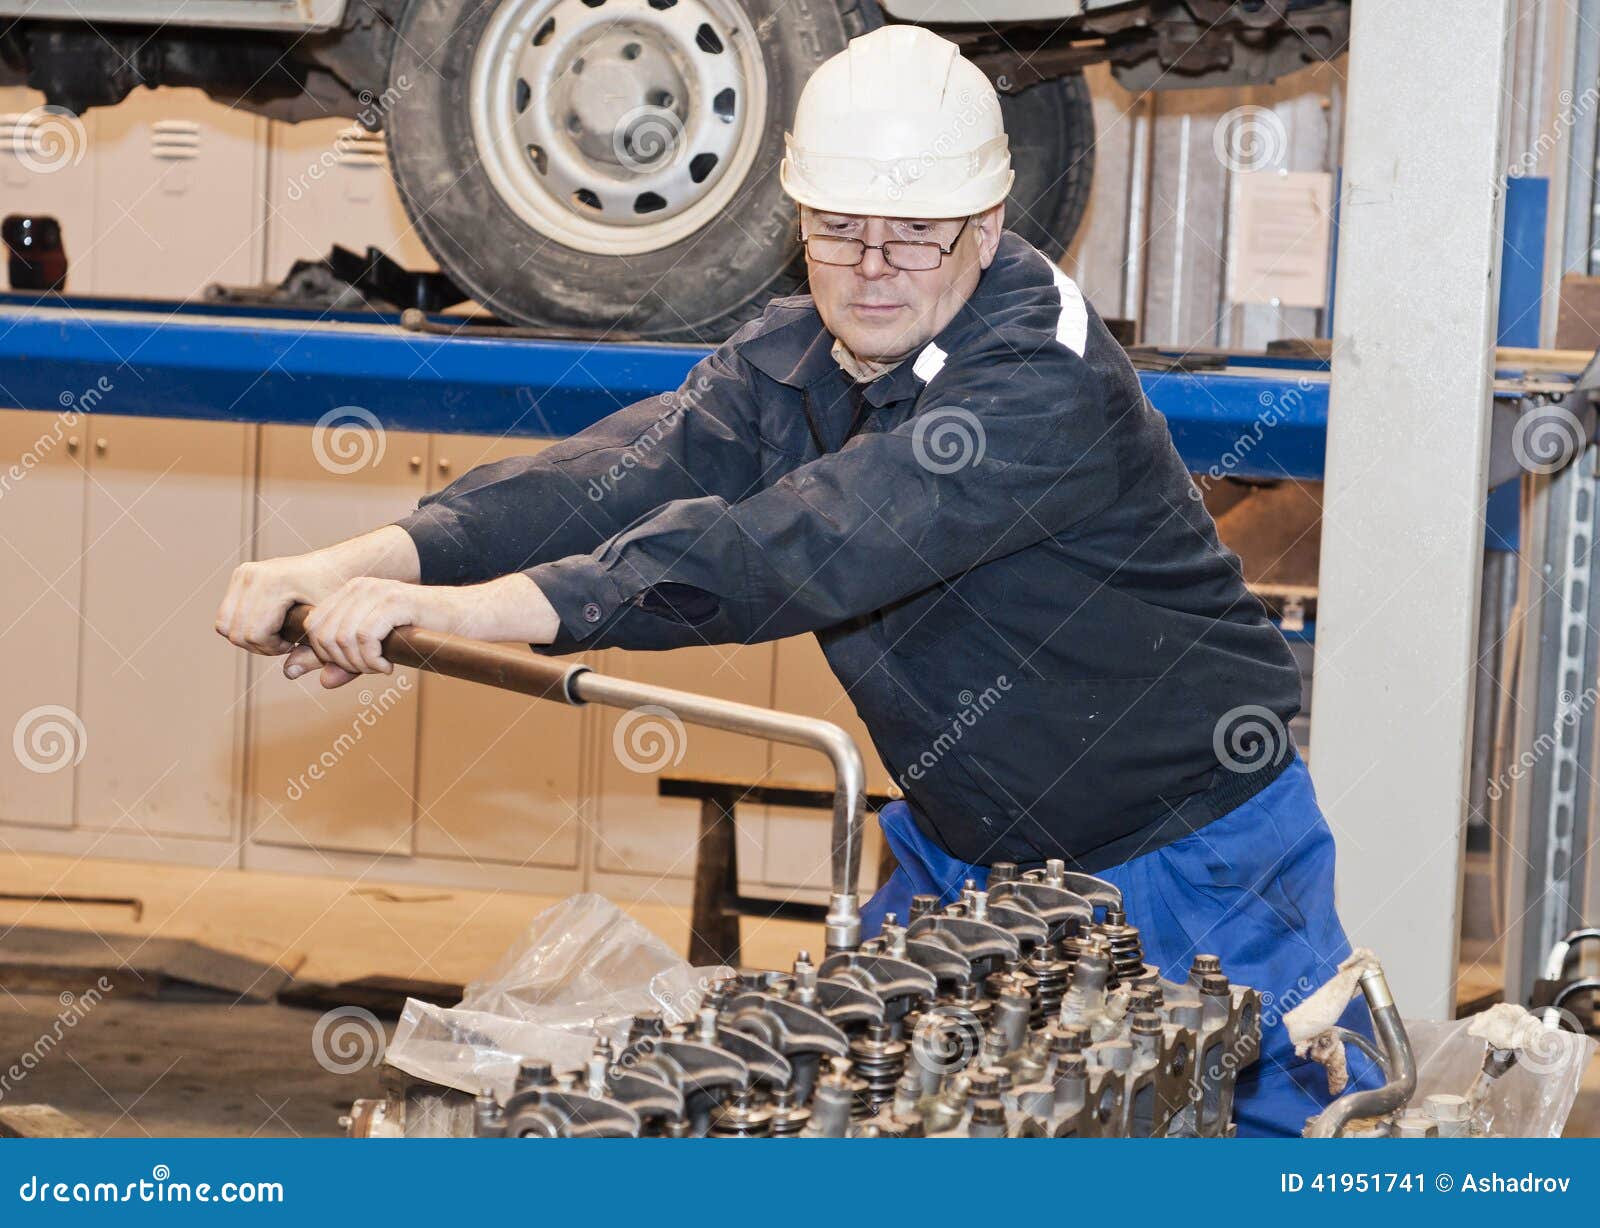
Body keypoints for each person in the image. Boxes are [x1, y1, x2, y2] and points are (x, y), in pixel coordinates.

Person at [215, 25, 1375, 1135]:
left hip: (1188, 862)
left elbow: (796, 545)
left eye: (912, 235)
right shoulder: (805, 351)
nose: (870, 270)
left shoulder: (1037, 381)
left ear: (985, 224)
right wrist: (366, 561)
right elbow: (615, 474)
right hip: (966, 858)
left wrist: (465, 614)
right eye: (837, 227)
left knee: (1271, 1152)